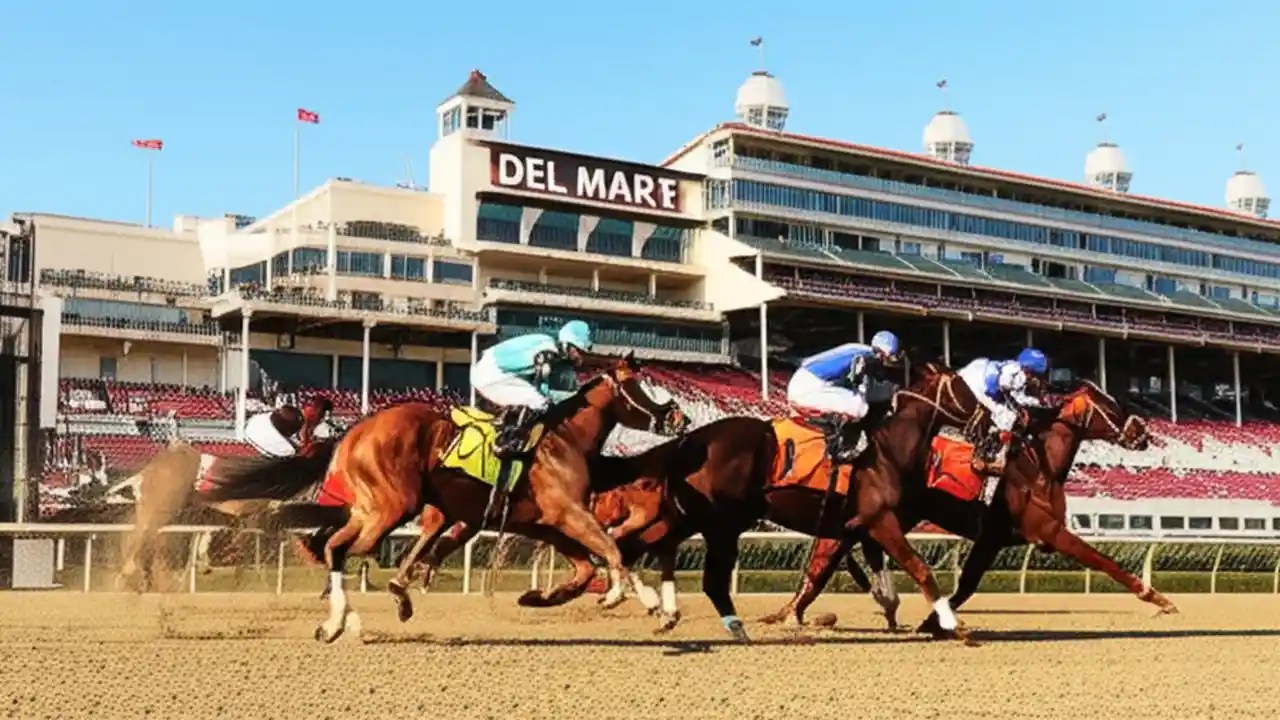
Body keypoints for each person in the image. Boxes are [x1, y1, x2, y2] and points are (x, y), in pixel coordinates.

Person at [470, 320, 593, 457]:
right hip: (491, 374)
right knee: (539, 401)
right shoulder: (548, 352)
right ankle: (507, 441)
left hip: (492, 371)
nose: (579, 356)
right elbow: (540, 385)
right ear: (567, 344)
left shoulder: (549, 344)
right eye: (577, 350)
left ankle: (508, 428)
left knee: (537, 399)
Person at [787, 330, 901, 463]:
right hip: (809, 387)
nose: (886, 362)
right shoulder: (866, 356)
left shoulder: (858, 349)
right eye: (889, 358)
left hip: (804, 381)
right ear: (884, 353)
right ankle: (840, 447)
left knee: (855, 400)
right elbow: (857, 383)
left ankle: (833, 431)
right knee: (860, 406)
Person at [957, 348, 1049, 477]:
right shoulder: (1017, 375)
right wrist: (1019, 410)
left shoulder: (1016, 368)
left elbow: (1014, 397)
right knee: (1008, 418)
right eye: (1036, 375)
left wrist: (1031, 405)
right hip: (977, 385)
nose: (1036, 378)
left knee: (1010, 413)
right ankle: (996, 459)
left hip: (977, 373)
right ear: (1030, 370)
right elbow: (1003, 391)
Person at [243, 396, 333, 459]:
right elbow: (305, 430)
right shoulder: (311, 414)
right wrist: (305, 445)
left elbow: (307, 430)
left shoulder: (308, 413)